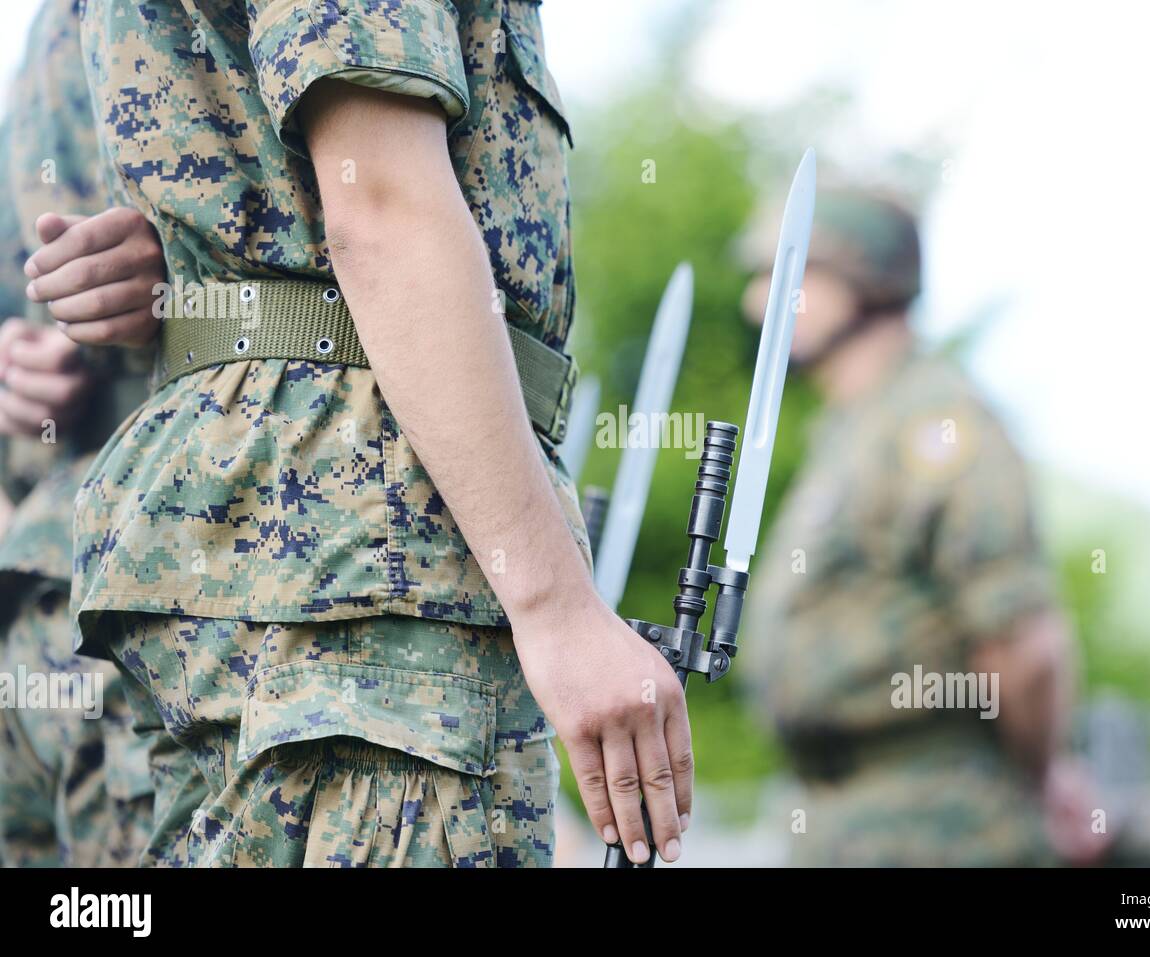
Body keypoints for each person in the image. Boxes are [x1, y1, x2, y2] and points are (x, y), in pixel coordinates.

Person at [27, 0, 693, 867]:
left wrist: (201, 274)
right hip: (367, 548)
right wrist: (559, 608)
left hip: (284, 543)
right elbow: (380, 205)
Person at [740, 186, 1105, 866]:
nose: (757, 303)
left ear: (863, 281)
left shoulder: (937, 423)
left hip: (941, 825)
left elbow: (1023, 643)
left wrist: (1044, 773)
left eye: (788, 275)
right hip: (845, 819)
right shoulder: (856, 429)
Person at [0, 0, 160, 867]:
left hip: (192, 609)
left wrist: (187, 283)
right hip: (43, 611)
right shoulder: (41, 49)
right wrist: (15, 370)